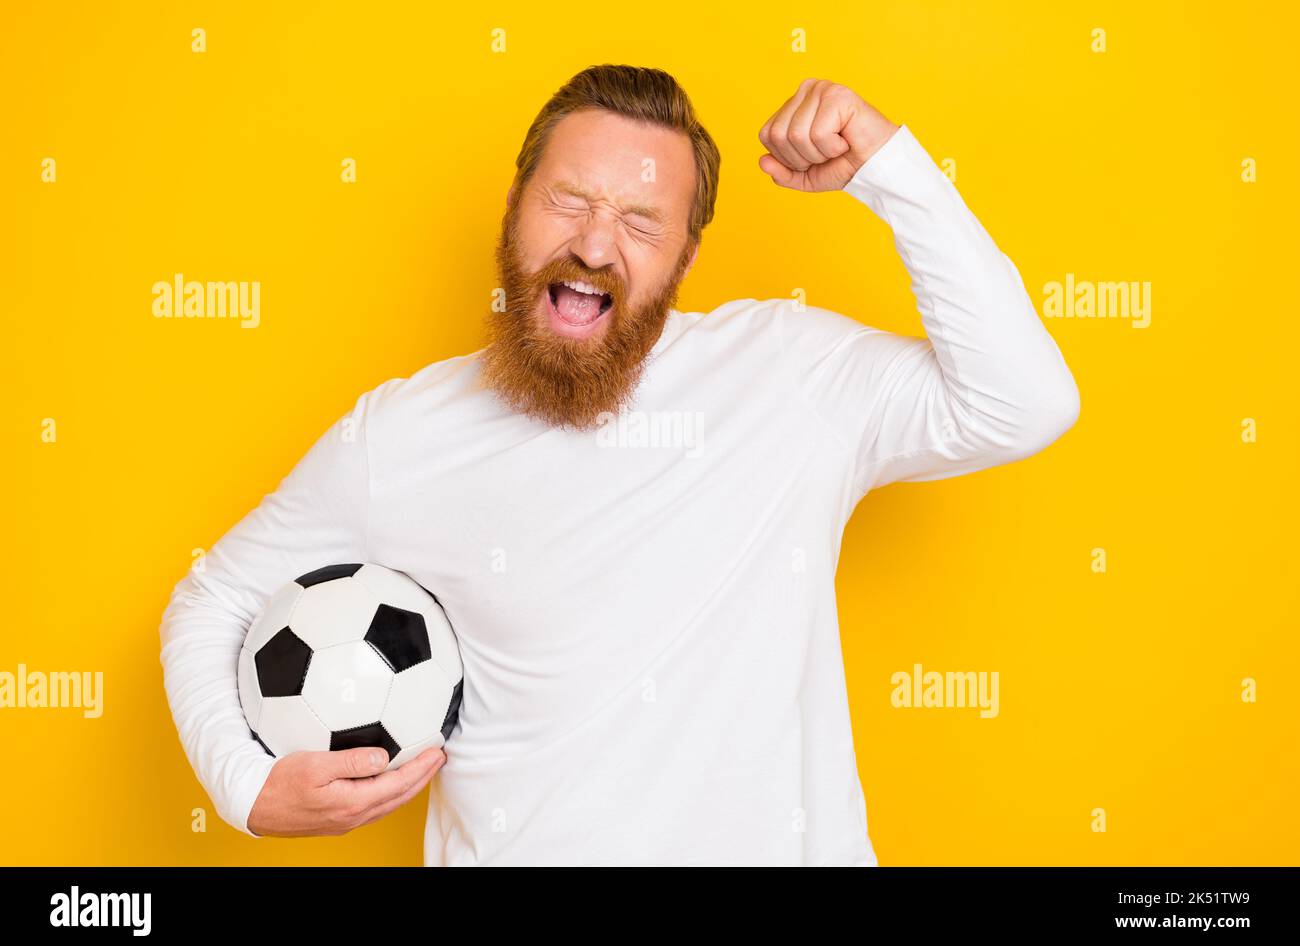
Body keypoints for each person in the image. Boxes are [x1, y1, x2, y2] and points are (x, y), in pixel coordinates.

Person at [160, 65, 1079, 865]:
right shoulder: (402, 434)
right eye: (569, 200)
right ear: (516, 203)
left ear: (686, 254)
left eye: (641, 220)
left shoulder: (790, 375)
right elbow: (213, 599)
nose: (595, 246)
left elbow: (1026, 402)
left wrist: (889, 169)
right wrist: (246, 787)